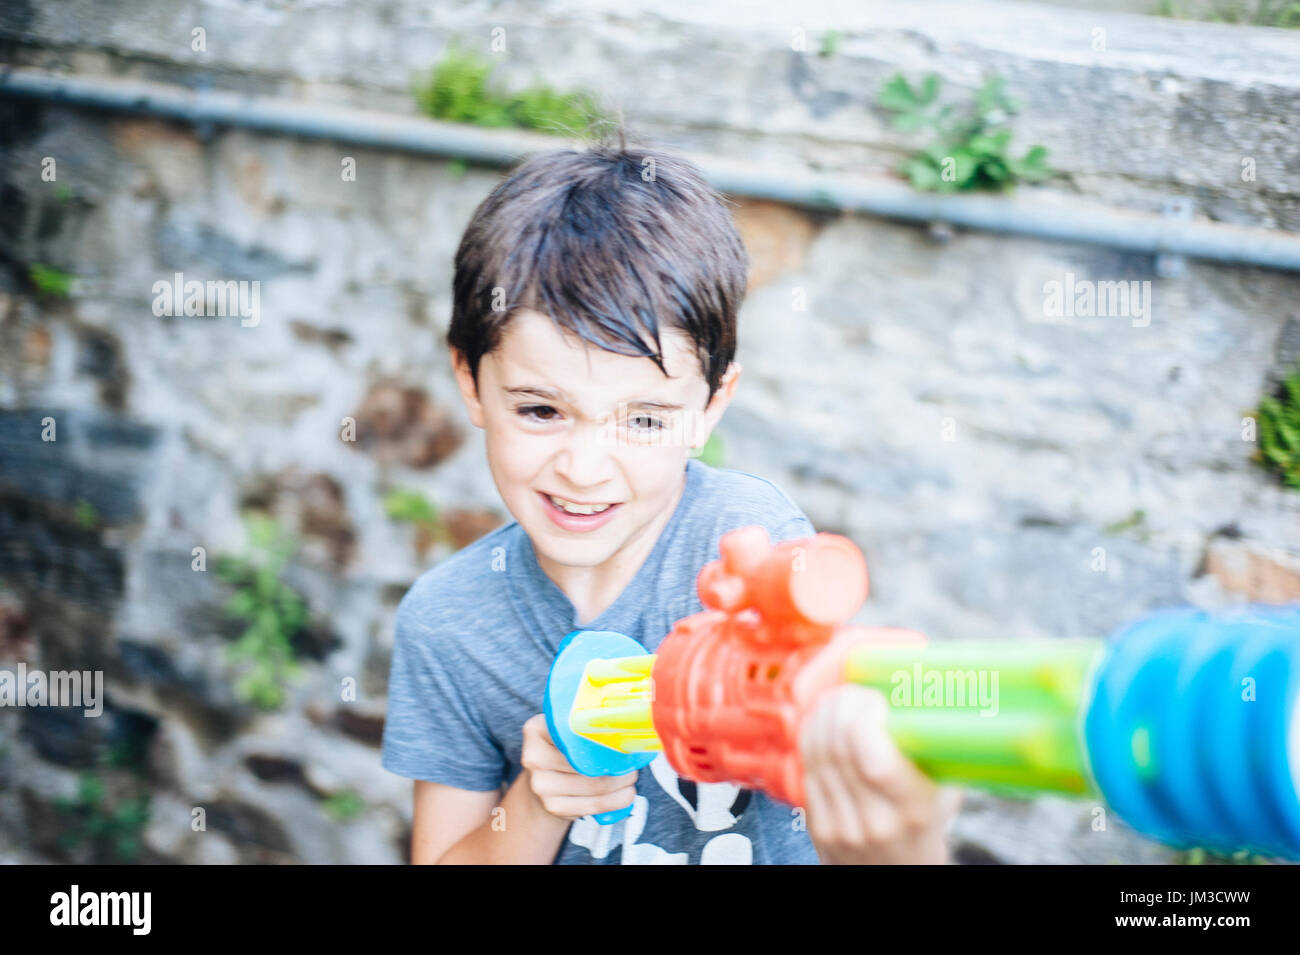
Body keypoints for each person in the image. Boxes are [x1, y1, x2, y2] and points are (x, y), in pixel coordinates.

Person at [380, 133, 959, 864]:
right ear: (470, 382)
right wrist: (535, 799)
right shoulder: (448, 622)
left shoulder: (750, 540)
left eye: (644, 419)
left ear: (711, 406)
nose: (585, 469)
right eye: (540, 410)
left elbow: (833, 735)